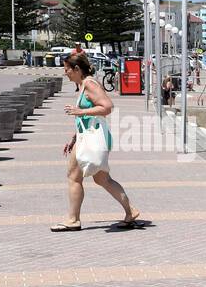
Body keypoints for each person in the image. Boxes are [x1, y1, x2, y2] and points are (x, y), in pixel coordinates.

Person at [52, 52, 141, 232]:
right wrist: (73, 138)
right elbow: (85, 119)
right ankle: (130, 211)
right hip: (88, 137)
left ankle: (73, 219)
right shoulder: (84, 84)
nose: (65, 73)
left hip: (92, 139)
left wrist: (80, 111)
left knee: (73, 176)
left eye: (67, 70)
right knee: (102, 179)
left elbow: (107, 107)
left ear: (77, 69)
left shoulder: (90, 84)